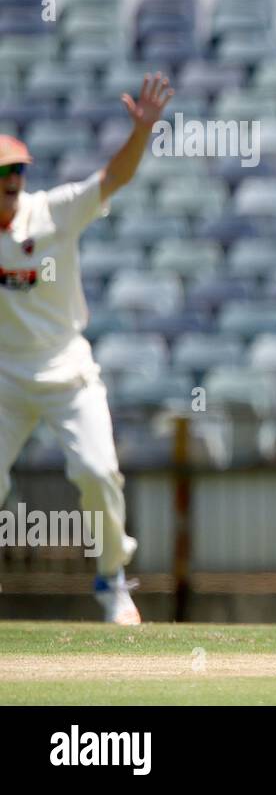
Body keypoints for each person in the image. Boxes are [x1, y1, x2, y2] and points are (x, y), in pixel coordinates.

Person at [0, 73, 174, 625]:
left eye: (18, 172)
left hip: (66, 364)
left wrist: (142, 132)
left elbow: (114, 176)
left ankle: (113, 577)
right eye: (4, 173)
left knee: (99, 473)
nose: (14, 181)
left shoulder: (52, 211)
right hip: (4, 375)